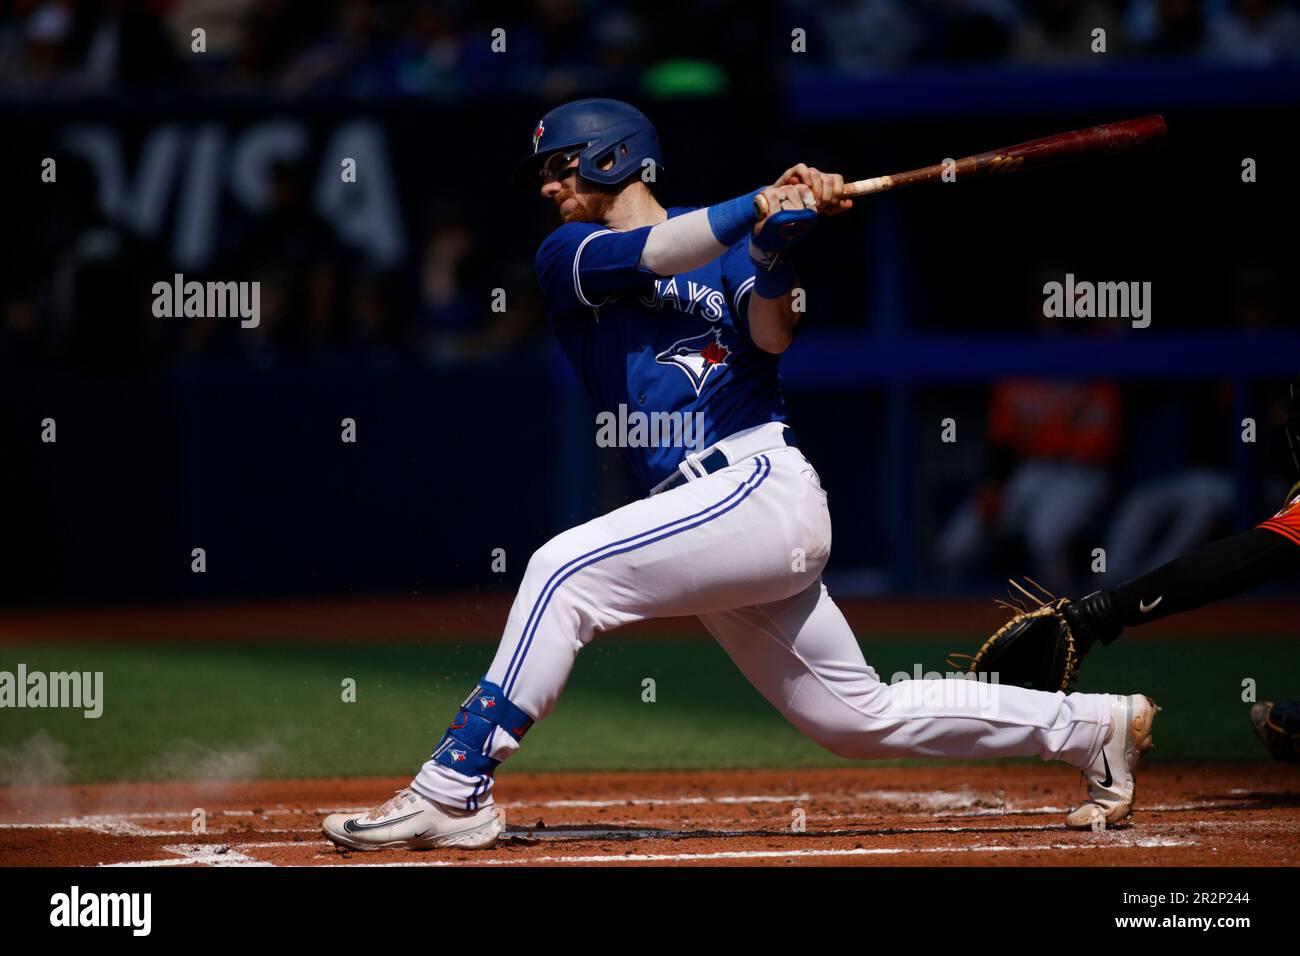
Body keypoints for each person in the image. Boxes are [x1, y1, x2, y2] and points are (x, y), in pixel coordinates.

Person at [323, 98, 1158, 851]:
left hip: (758, 485)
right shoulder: (569, 253)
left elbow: (774, 334)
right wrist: (756, 207)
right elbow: (655, 251)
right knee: (854, 718)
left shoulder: (725, 242)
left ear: (610, 155)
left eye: (558, 166)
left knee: (561, 571)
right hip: (706, 516)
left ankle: (455, 784)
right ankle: (1092, 728)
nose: (546, 186)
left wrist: (778, 246)